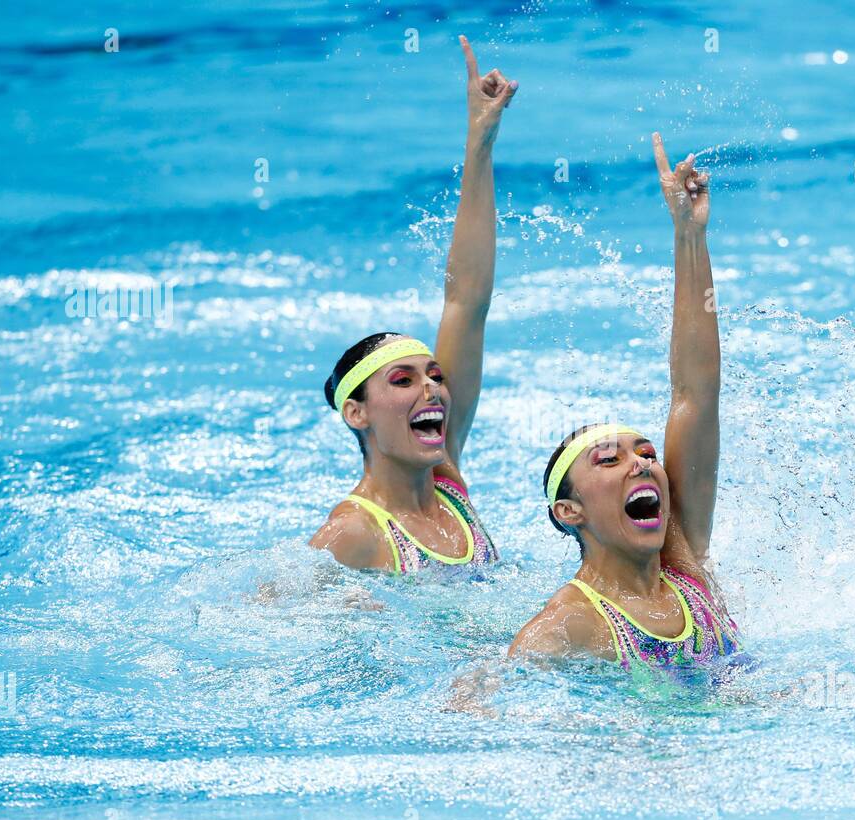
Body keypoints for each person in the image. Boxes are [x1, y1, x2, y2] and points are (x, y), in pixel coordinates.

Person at [510, 134, 743, 678]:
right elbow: (499, 695)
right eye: (609, 461)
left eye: (645, 454)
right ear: (570, 513)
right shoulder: (569, 625)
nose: (642, 463)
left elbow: (696, 391)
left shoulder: (684, 561)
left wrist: (689, 234)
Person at [310, 37, 514, 573]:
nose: (432, 388)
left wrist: (481, 141)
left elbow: (467, 301)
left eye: (434, 376)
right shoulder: (352, 532)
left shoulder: (447, 483)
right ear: (357, 413)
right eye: (402, 381)